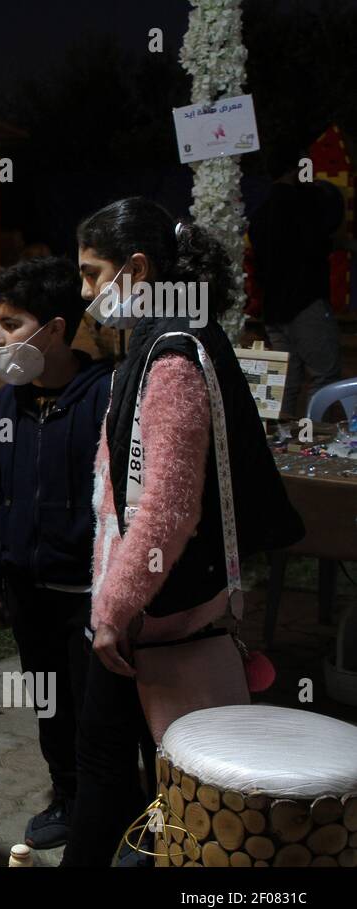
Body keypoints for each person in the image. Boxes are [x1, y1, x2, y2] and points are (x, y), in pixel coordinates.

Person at [65, 197, 303, 866]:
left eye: (92, 274)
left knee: (129, 791)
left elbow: (165, 509)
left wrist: (113, 609)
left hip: (153, 623)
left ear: (136, 269)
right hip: (156, 615)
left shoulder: (169, 356)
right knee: (150, 797)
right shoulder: (174, 337)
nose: (85, 294)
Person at [0, 257, 113, 849]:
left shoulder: (105, 397)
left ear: (54, 329)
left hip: (90, 598)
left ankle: (121, 815)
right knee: (51, 703)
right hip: (27, 592)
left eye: (10, 324)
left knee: (100, 714)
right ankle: (68, 798)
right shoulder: (3, 408)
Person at [248, 177, 349, 419]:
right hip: (305, 303)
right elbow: (319, 239)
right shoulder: (305, 204)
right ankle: (315, 441)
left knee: (284, 382)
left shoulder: (262, 210)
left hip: (274, 309)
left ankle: (286, 444)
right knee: (323, 376)